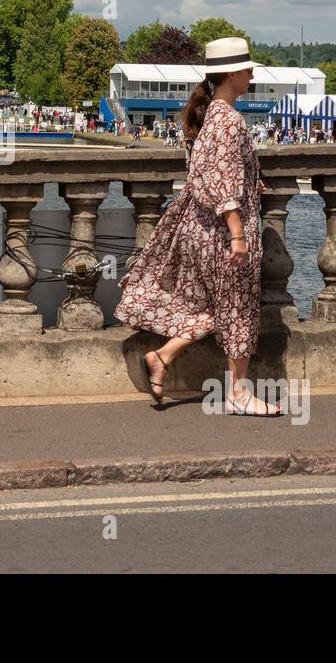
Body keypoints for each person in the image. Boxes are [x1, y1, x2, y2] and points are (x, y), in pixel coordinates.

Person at [115, 38, 280, 415]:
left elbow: (208, 173)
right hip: (221, 232)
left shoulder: (212, 117)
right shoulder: (228, 119)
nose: (252, 73)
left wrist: (251, 179)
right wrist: (238, 232)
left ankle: (163, 356)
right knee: (238, 309)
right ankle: (238, 394)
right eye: (248, 68)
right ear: (233, 74)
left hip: (199, 229)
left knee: (212, 306)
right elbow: (220, 181)